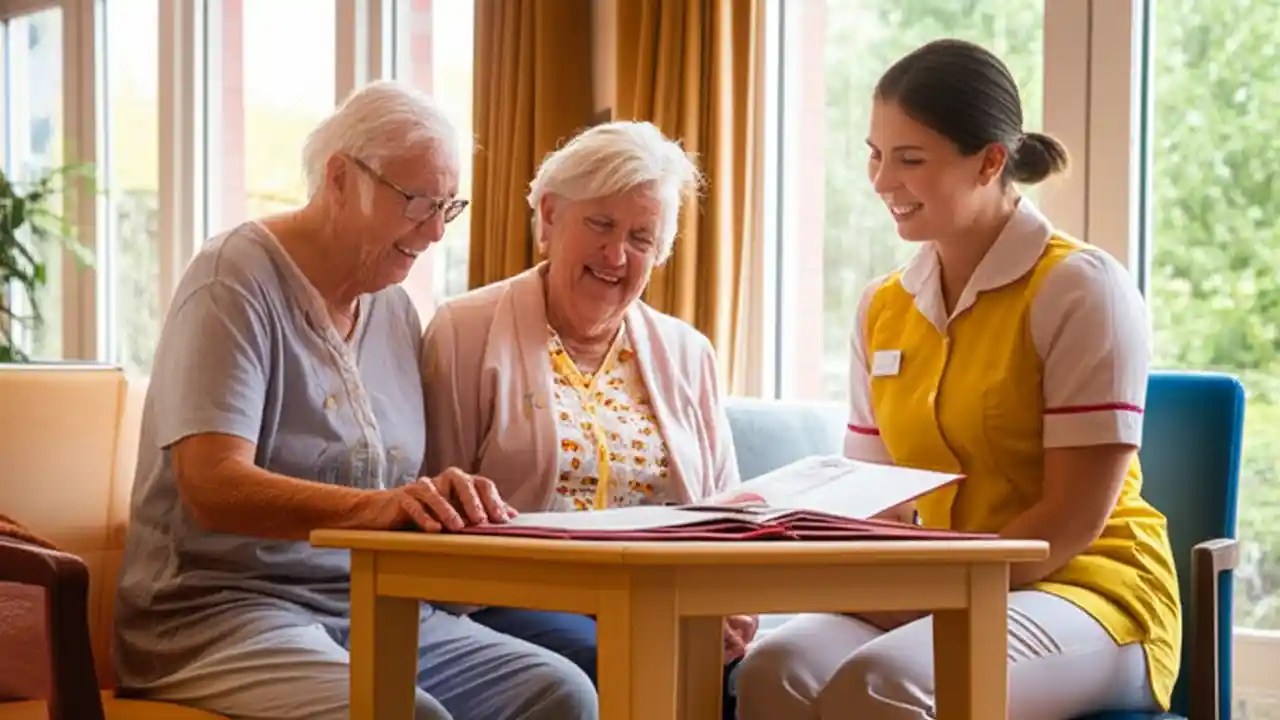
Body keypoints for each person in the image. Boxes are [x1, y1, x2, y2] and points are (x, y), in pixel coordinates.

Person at [112, 81, 597, 720]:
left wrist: (439, 498)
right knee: (405, 711)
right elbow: (211, 484)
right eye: (418, 203)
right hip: (219, 613)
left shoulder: (394, 311)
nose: (432, 233)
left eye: (447, 208)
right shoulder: (233, 278)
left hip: (371, 604)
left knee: (557, 693)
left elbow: (402, 484)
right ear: (339, 178)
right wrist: (378, 509)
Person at [734, 39, 1180, 719]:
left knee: (886, 684)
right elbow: (876, 499)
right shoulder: (884, 307)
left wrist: (932, 597)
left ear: (990, 162)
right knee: (776, 668)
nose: (882, 181)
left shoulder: (1080, 289)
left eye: (910, 159)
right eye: (876, 154)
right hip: (943, 584)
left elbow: (1070, 521)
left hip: (1091, 593)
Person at [421, 120, 753, 714]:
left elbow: (729, 511)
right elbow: (438, 508)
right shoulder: (463, 331)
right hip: (510, 600)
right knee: (635, 656)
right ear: (549, 218)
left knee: (754, 670)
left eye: (641, 238)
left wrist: (731, 601)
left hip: (663, 599)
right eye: (600, 225)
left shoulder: (688, 353)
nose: (616, 254)